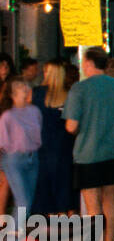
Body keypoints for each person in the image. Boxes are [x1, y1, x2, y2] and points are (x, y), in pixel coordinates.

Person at [64, 48, 114, 241]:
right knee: (110, 202)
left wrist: (82, 130)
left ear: (88, 63)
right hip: (113, 152)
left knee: (92, 206)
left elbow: (70, 126)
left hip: (88, 153)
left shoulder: (80, 89)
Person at [30, 61, 76, 216]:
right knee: (63, 182)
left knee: (43, 183)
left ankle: (46, 218)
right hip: (63, 145)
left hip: (41, 145)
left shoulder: (36, 94)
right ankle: (64, 213)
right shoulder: (68, 96)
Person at [0, 80, 42, 216]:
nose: (26, 91)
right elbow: (3, 141)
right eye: (21, 89)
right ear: (13, 94)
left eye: (27, 88)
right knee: (23, 201)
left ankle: (17, 232)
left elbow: (38, 131)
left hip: (32, 156)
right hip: (15, 158)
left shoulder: (34, 111)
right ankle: (14, 234)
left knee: (27, 200)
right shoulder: (8, 116)